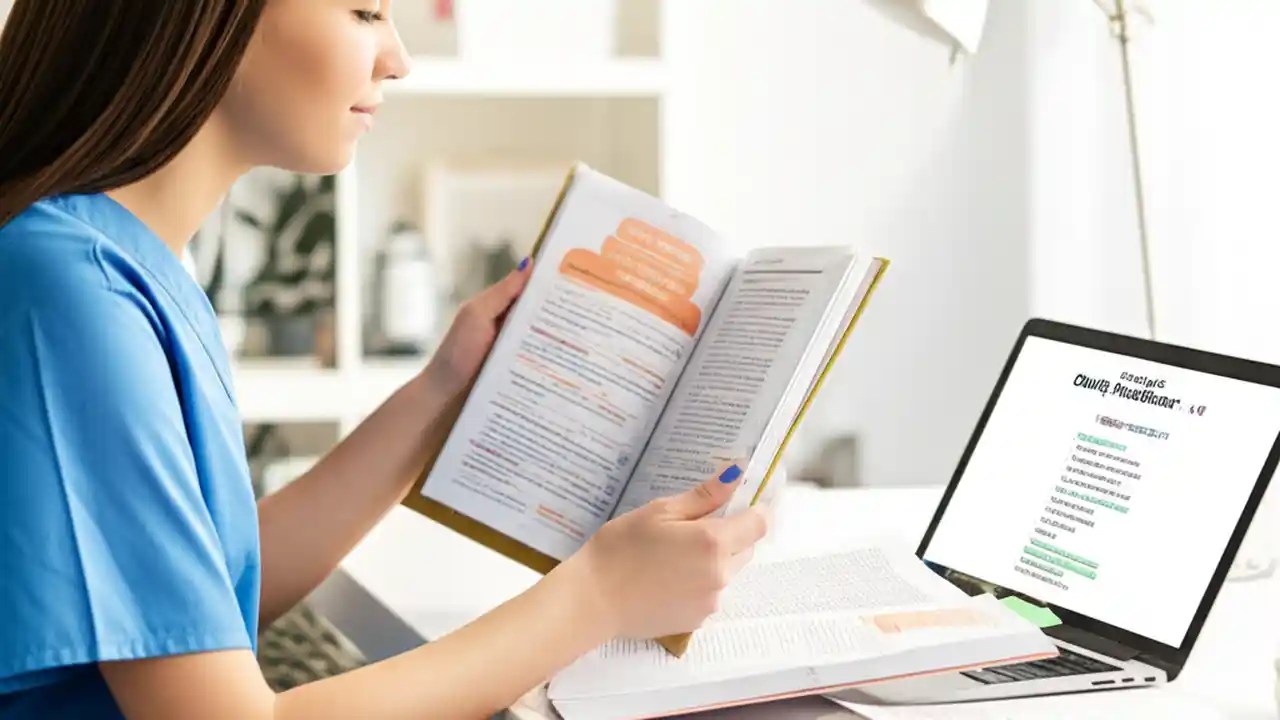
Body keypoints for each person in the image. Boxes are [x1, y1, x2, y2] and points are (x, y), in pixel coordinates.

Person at [0, 2, 770, 718]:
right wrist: (598, 597)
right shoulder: (75, 290)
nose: (397, 59)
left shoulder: (113, 262)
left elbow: (201, 589)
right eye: (365, 10)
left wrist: (443, 392)